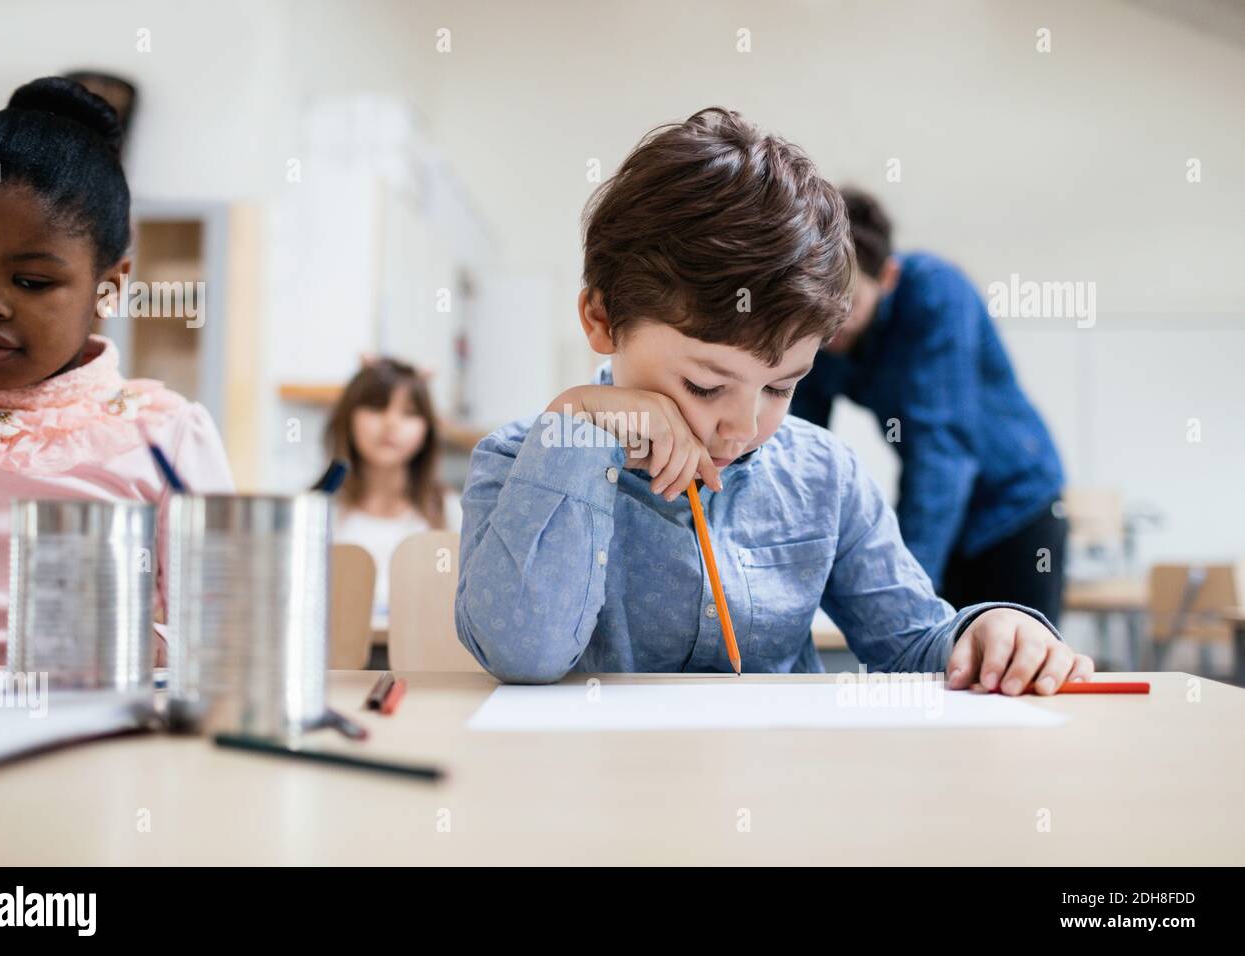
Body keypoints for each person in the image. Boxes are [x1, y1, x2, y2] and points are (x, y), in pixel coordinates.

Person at [454, 108, 1091, 693]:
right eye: (704, 386)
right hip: (598, 799)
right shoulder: (518, 461)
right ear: (600, 317)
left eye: (783, 387)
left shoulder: (824, 476)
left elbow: (912, 645)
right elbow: (524, 656)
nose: (740, 429)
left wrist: (989, 634)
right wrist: (577, 420)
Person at [0, 77, 233, 664]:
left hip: (88, 736)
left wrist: (145, 650)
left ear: (110, 286)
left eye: (31, 282)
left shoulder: (165, 434)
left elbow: (223, 640)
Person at [789, 189, 1068, 623]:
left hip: (1015, 506)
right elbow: (799, 442)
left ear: (888, 278)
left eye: (851, 304)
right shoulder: (822, 320)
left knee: (1011, 666)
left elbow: (941, 453)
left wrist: (904, 595)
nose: (832, 327)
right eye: (825, 309)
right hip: (943, 514)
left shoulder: (937, 292)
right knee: (945, 676)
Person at [328, 357, 462, 631]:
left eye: (410, 412)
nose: (391, 423)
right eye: (377, 407)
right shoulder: (319, 511)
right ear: (348, 417)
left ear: (427, 429)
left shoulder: (452, 512)